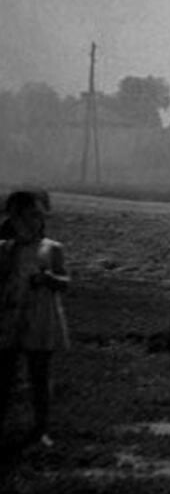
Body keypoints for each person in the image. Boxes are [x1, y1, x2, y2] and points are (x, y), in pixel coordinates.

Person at [0, 188, 70, 449]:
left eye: (36, 217)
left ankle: (41, 428)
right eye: (23, 217)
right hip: (9, 316)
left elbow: (65, 282)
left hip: (41, 318)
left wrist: (51, 279)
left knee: (39, 375)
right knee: (4, 374)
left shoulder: (52, 249)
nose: (31, 223)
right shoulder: (5, 249)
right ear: (11, 220)